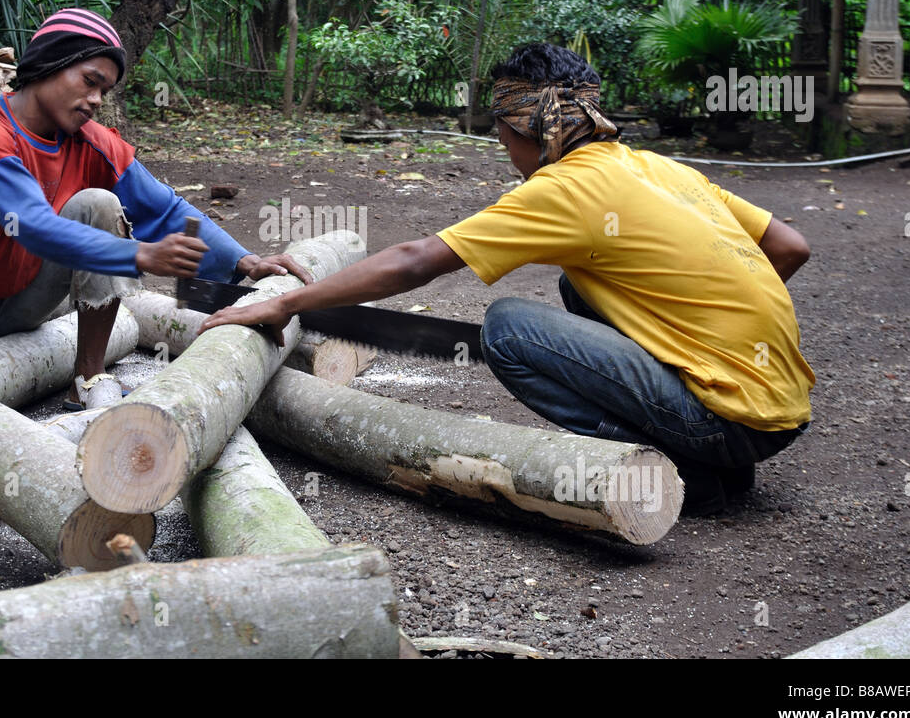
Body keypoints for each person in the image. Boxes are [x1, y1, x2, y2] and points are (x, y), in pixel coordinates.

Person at [201, 42, 814, 514]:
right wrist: (711, 329)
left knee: (509, 328)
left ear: (528, 127)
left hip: (724, 420)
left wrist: (286, 306)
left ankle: (684, 469)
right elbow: (790, 246)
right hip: (781, 411)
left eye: (499, 129)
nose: (499, 144)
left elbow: (417, 260)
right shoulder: (655, 167)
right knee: (580, 287)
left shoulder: (563, 189)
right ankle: (711, 450)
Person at [0, 7, 310, 409]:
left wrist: (243, 263)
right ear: (49, 63)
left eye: (104, 91)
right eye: (89, 81)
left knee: (100, 204)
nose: (95, 100)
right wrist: (140, 253)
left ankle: (88, 378)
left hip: (25, 298)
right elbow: (31, 225)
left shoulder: (92, 142)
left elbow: (163, 209)